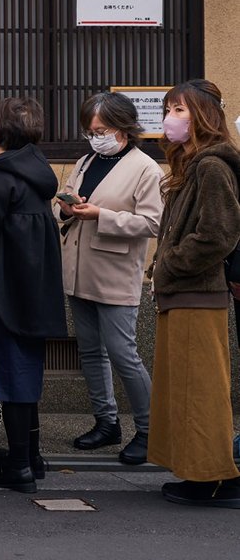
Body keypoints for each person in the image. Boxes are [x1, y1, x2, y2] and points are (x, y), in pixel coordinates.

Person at [0, 96, 65, 494]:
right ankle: (30, 455)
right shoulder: (35, 172)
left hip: (0, 294)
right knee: (25, 372)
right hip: (34, 290)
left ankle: (19, 464)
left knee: (9, 373)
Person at [57, 92, 162, 466]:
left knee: (123, 354)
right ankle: (106, 422)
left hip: (116, 273)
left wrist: (101, 214)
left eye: (101, 129)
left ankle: (150, 431)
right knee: (90, 352)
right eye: (90, 130)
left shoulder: (145, 167)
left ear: (124, 127)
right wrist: (67, 208)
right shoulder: (86, 160)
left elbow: (152, 223)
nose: (95, 136)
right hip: (79, 269)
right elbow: (70, 210)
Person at [148, 80, 240, 507]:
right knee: (185, 391)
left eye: (180, 109)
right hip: (183, 294)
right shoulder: (192, 163)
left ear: (204, 114)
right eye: (169, 108)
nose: (171, 118)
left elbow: (218, 235)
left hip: (197, 293)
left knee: (200, 393)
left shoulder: (211, 166)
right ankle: (199, 473)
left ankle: (212, 478)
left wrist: (168, 264)